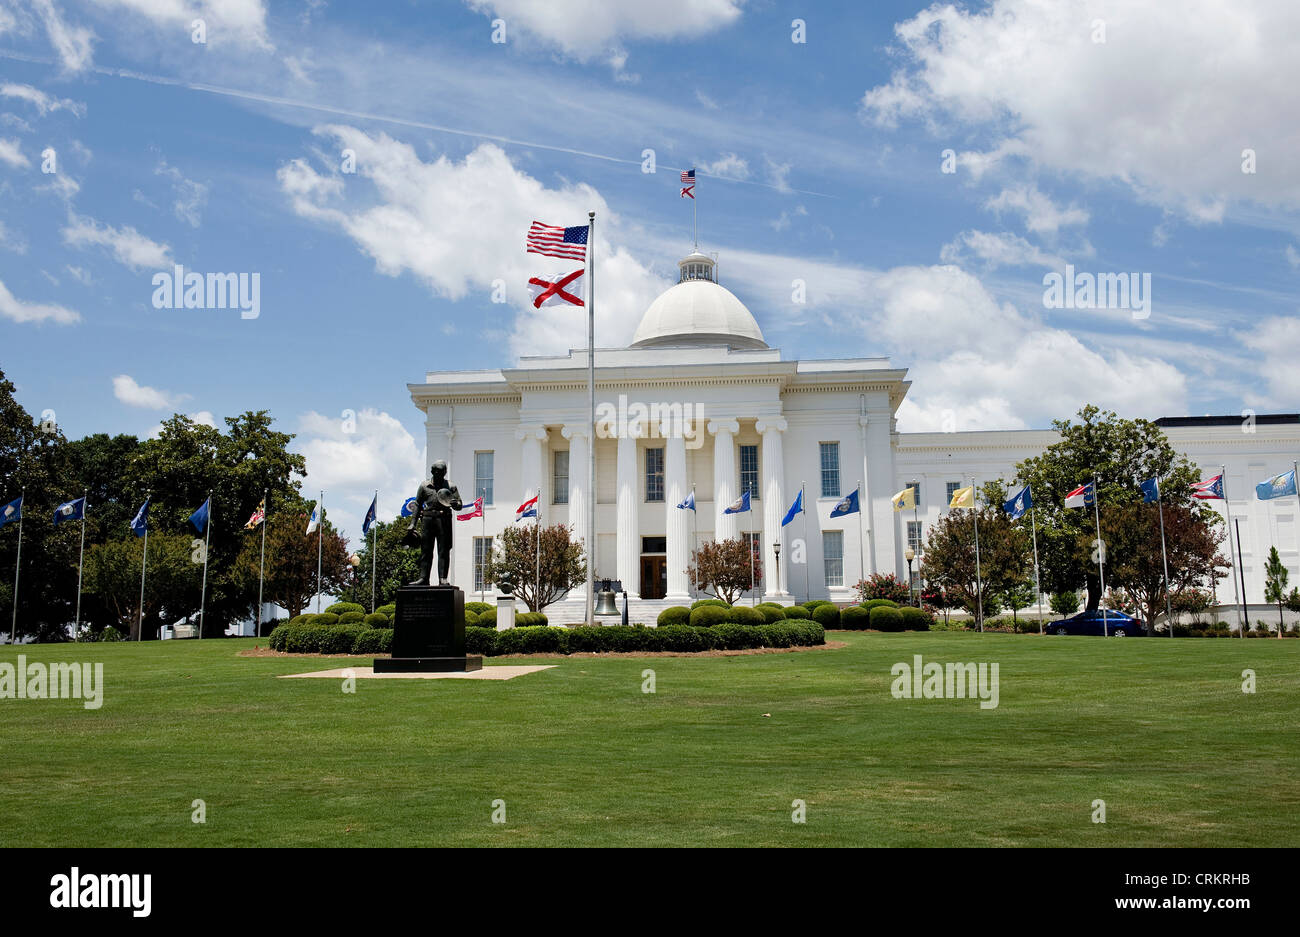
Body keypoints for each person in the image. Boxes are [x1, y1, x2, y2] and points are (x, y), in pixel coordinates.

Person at [405, 460, 462, 586]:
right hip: (428, 519)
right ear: (432, 471)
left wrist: (455, 504)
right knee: (426, 550)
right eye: (437, 471)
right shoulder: (424, 486)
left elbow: (459, 504)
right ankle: (424, 578)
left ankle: (443, 578)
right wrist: (412, 523)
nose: (439, 474)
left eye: (442, 472)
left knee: (443, 550)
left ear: (445, 472)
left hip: (444, 520)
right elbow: (418, 504)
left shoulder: (450, 486)